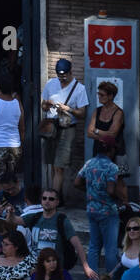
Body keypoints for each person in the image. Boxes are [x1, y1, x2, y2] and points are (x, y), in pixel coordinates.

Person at [77, 139, 126, 280]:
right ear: (110, 151)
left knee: (94, 247)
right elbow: (111, 190)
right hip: (108, 211)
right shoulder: (112, 167)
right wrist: (121, 199)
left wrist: (91, 193)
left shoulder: (89, 163)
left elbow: (76, 182)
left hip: (92, 210)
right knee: (110, 249)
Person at [41, 58, 87, 201]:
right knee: (51, 164)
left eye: (64, 75)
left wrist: (69, 109)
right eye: (59, 75)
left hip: (67, 129)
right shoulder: (50, 84)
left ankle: (54, 199)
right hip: (51, 126)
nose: (62, 78)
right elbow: (43, 106)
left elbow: (83, 113)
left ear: (70, 71)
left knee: (59, 165)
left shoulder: (79, 89)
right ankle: (53, 196)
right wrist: (47, 105)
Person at [86, 80, 125, 159]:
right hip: (98, 151)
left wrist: (96, 131)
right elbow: (89, 133)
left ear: (110, 96)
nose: (99, 97)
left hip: (113, 153)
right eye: (98, 94)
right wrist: (104, 137)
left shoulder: (118, 113)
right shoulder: (97, 111)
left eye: (102, 95)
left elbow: (112, 135)